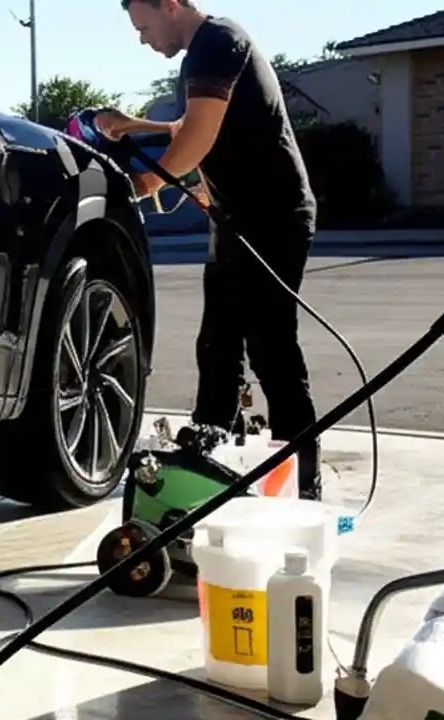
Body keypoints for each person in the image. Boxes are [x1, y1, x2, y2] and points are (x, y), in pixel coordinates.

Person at [97, 0, 322, 500]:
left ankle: (303, 482)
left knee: (271, 347)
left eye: (143, 26)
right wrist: (133, 125)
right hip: (234, 220)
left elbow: (199, 136)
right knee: (217, 345)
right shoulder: (202, 54)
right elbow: (191, 125)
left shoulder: (219, 41)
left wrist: (142, 185)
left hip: (274, 215)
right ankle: (207, 462)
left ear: (171, 6)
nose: (142, 38)